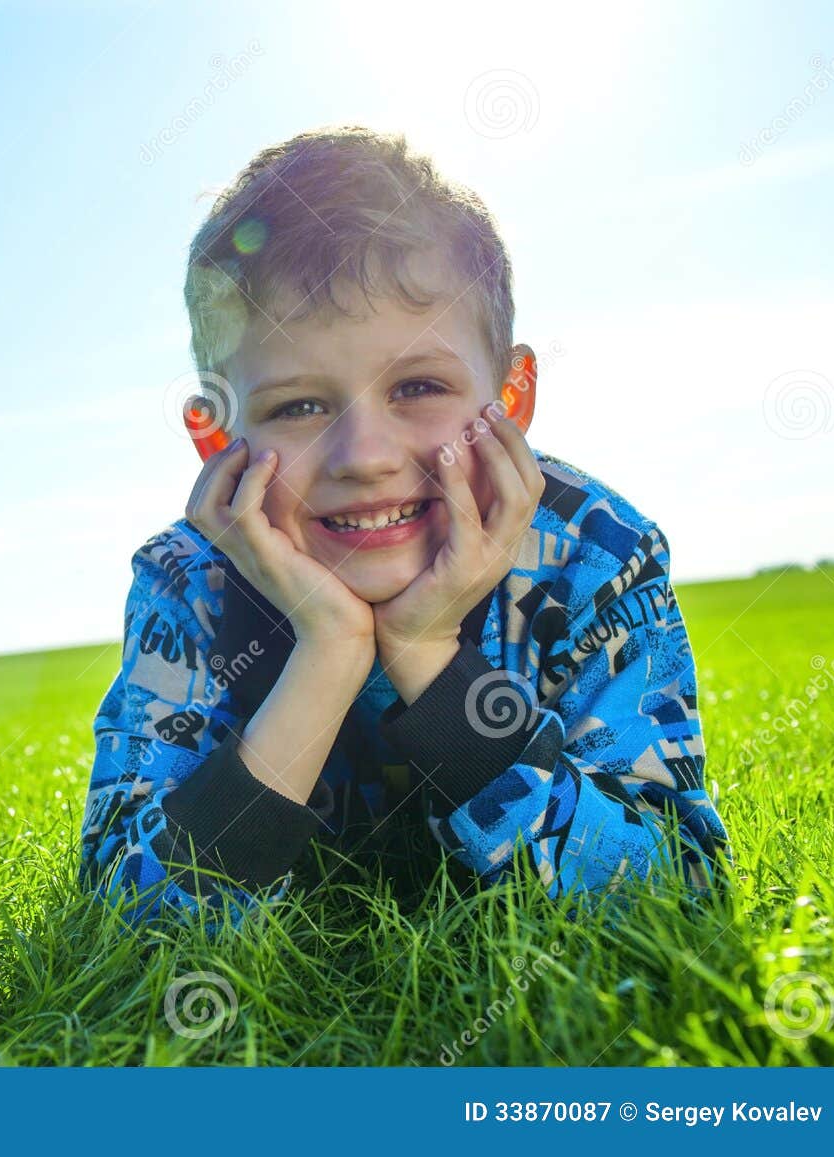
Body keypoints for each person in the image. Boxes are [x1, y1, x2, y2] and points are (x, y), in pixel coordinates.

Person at [78, 126, 729, 930]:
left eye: (419, 385)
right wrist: (328, 652)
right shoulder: (191, 584)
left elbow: (678, 890)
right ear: (218, 436)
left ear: (511, 399)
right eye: (299, 407)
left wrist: (430, 656)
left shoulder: (598, 556)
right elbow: (126, 917)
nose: (365, 456)